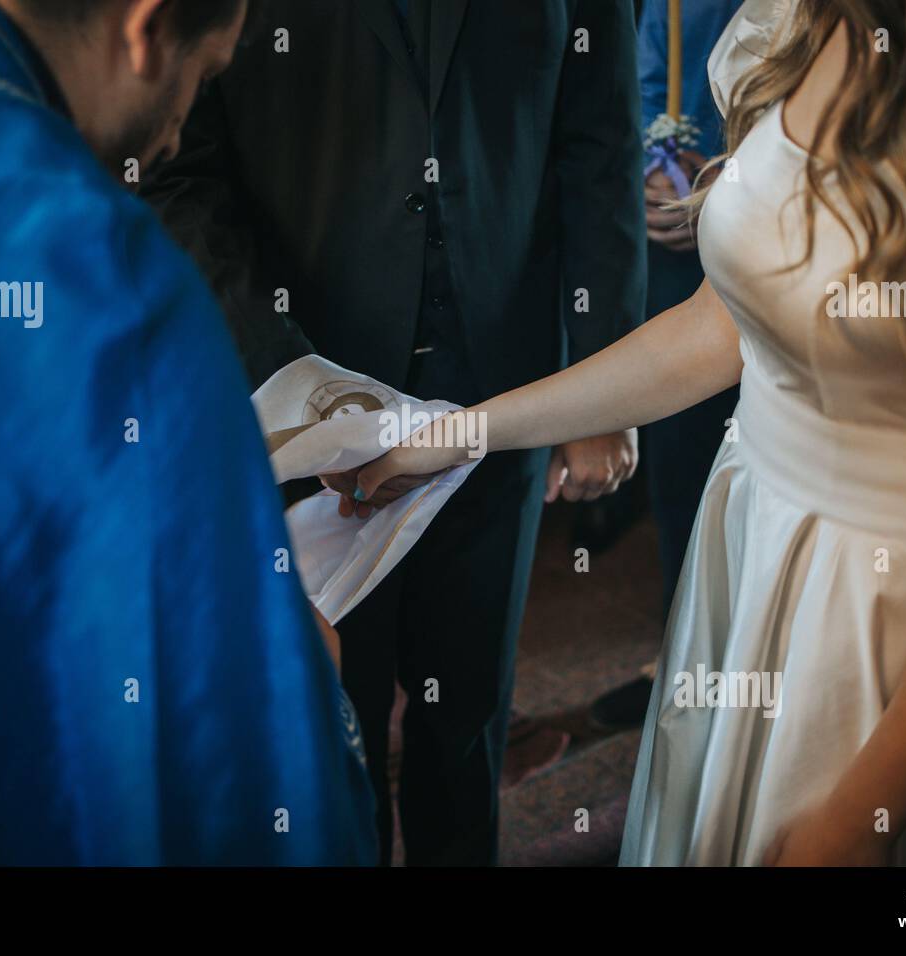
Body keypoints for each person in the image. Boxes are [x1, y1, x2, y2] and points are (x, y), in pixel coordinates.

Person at [355, 0, 906, 864]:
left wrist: (855, 821)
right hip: (748, 545)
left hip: (895, 607)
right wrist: (458, 435)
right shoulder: (797, 22)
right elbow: (721, 330)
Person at [0, 0, 375, 865]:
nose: (176, 136)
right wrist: (297, 675)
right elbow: (235, 781)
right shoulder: (94, 284)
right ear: (147, 25)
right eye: (201, 78)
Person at [144, 0, 647, 865]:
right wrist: (295, 387)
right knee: (329, 714)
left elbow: (599, 143)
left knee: (470, 716)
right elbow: (178, 174)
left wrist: (602, 388)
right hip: (302, 390)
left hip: (506, 383)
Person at [591, 0, 746, 729]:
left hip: (757, 235)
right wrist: (645, 170)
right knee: (679, 459)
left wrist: (727, 184)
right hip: (663, 246)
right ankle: (679, 649)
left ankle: (742, 659)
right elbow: (608, 96)